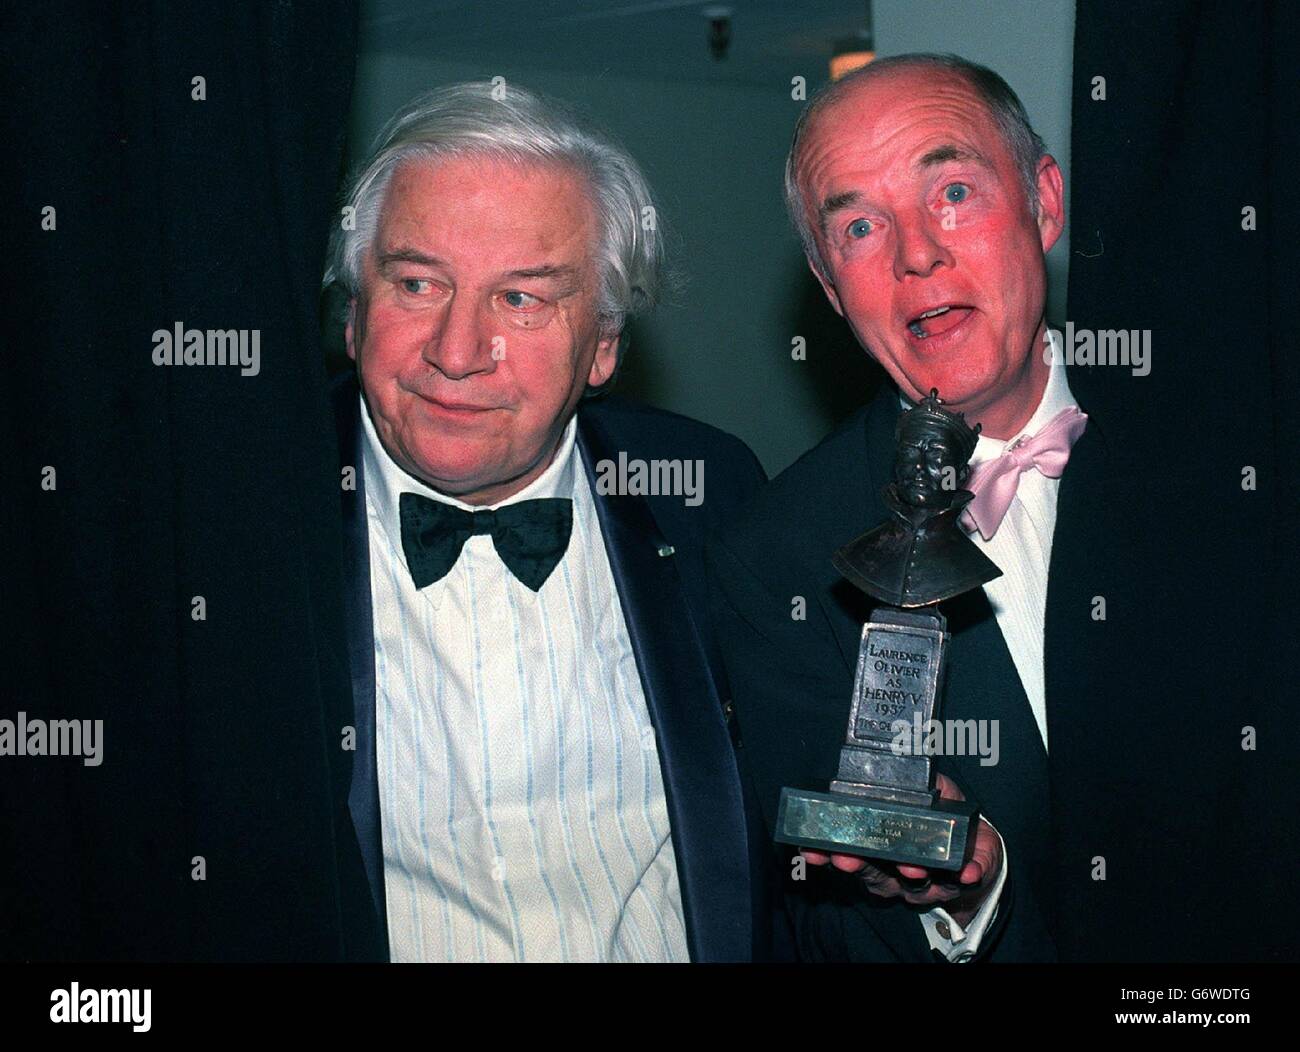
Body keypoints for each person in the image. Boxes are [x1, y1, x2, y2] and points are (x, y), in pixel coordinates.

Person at [706, 52, 1277, 962]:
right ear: (829, 287)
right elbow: (815, 922)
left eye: (956, 193)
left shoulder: (1242, 460)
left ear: (1046, 204)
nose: (917, 254)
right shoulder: (775, 555)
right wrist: (964, 894)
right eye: (860, 226)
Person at [324, 82, 767, 962]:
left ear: (603, 343)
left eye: (521, 299)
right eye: (417, 283)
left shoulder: (708, 495)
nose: (456, 352)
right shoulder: (239, 523)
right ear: (353, 312)